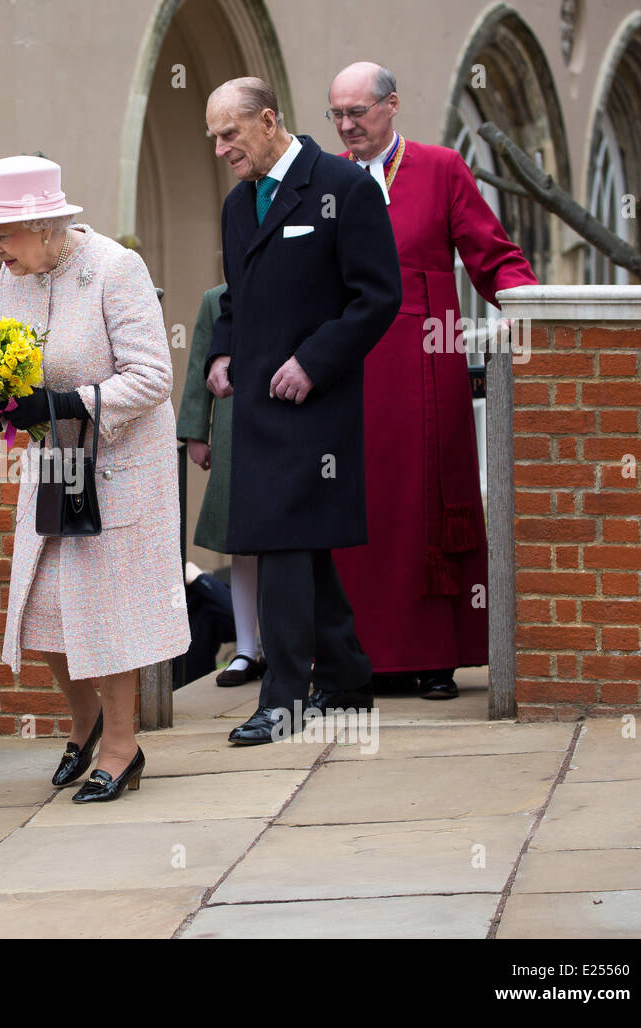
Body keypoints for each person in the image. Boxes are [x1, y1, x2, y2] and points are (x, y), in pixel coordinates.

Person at [0, 155, 190, 801]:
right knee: (41, 605)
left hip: (122, 461)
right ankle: (86, 718)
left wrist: (67, 404)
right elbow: (16, 355)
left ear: (47, 224)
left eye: (3, 236)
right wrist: (4, 396)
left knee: (108, 610)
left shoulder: (115, 267)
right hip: (56, 459)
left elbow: (154, 378)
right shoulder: (16, 275)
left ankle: (122, 747)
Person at [326, 62, 538, 700]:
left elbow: (492, 257)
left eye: (357, 112)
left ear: (392, 106)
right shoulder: (326, 180)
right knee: (359, 507)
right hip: (350, 367)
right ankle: (357, 657)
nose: (346, 125)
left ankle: (434, 656)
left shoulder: (442, 167)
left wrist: (544, 312)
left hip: (426, 361)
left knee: (423, 506)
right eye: (336, 114)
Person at [203, 77, 402, 744]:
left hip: (314, 405)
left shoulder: (344, 189)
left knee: (283, 543)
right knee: (299, 548)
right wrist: (220, 354)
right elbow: (234, 297)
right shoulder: (237, 206)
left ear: (268, 121)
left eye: (230, 134)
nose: (222, 148)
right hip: (256, 405)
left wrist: (314, 361)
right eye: (214, 138)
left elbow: (377, 297)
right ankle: (346, 679)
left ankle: (282, 699)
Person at [176, 283, 266, 686]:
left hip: (291, 433)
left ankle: (288, 649)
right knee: (242, 548)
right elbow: (200, 365)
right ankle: (247, 650)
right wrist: (196, 432)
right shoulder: (216, 299)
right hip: (234, 438)